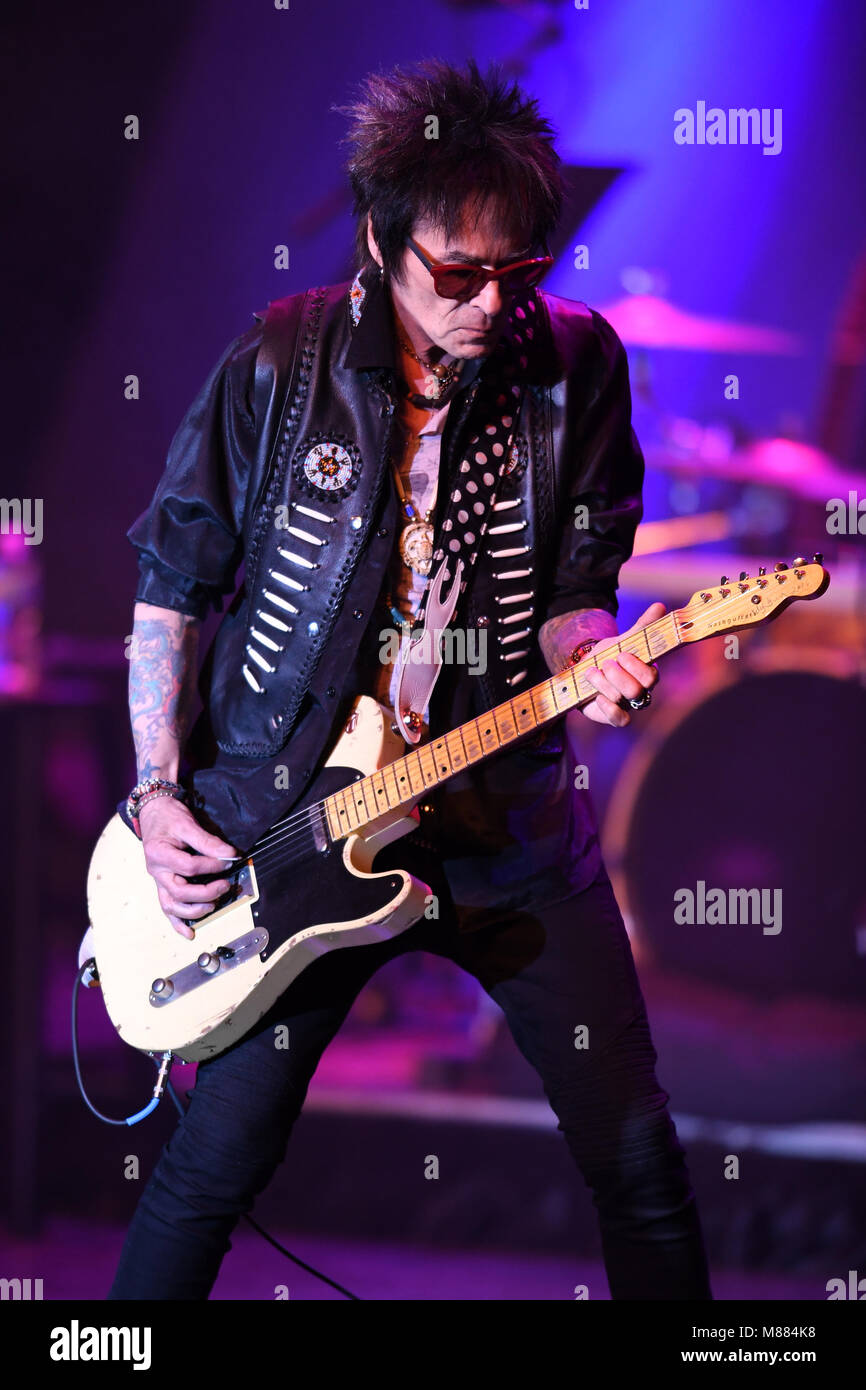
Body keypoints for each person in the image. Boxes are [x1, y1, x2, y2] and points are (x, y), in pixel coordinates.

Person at [107, 57, 712, 1301]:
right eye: (458, 272)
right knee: (213, 1165)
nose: (491, 303)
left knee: (637, 1158)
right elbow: (173, 587)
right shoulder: (280, 358)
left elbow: (573, 594)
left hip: (508, 828)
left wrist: (589, 659)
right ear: (380, 241)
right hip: (301, 823)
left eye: (520, 271)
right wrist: (157, 796)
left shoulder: (577, 366)